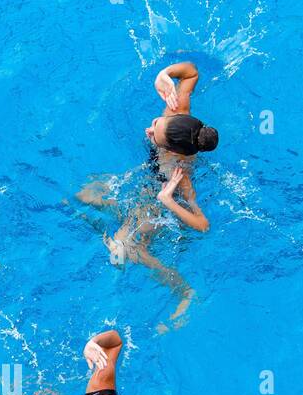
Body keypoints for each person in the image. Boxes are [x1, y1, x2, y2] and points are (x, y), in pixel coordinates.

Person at [77, 61, 217, 328]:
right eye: (156, 123)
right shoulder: (178, 113)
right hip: (146, 186)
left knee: (126, 248)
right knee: (84, 194)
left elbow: (203, 225)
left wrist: (168, 201)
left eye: (155, 136)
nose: (148, 131)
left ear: (174, 151)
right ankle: (116, 218)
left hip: (158, 200)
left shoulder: (181, 173)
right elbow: (191, 72)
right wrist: (163, 75)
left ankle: (185, 291)